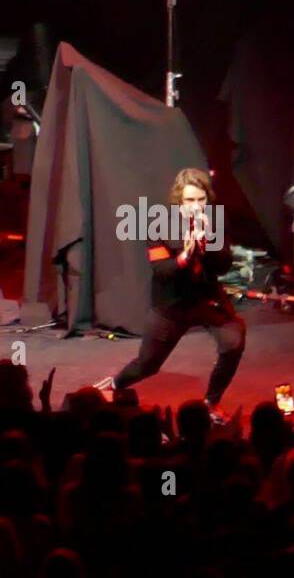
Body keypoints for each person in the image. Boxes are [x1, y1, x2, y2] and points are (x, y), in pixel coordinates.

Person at [95, 168, 245, 417]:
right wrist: (186, 256)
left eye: (201, 200)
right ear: (178, 201)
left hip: (205, 299)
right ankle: (113, 387)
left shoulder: (216, 221)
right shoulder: (160, 225)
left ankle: (211, 403)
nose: (196, 206)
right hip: (172, 304)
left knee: (233, 342)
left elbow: (224, 265)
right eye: (190, 200)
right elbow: (162, 270)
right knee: (147, 365)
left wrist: (206, 244)